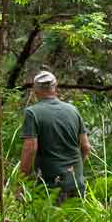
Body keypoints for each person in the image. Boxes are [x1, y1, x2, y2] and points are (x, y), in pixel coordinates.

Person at [19, 70, 91, 199]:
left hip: (51, 187)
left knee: (49, 219)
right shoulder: (73, 110)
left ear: (35, 90)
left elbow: (30, 149)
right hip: (76, 183)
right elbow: (85, 147)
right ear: (55, 87)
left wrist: (21, 182)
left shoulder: (32, 113)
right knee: (76, 219)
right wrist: (75, 171)